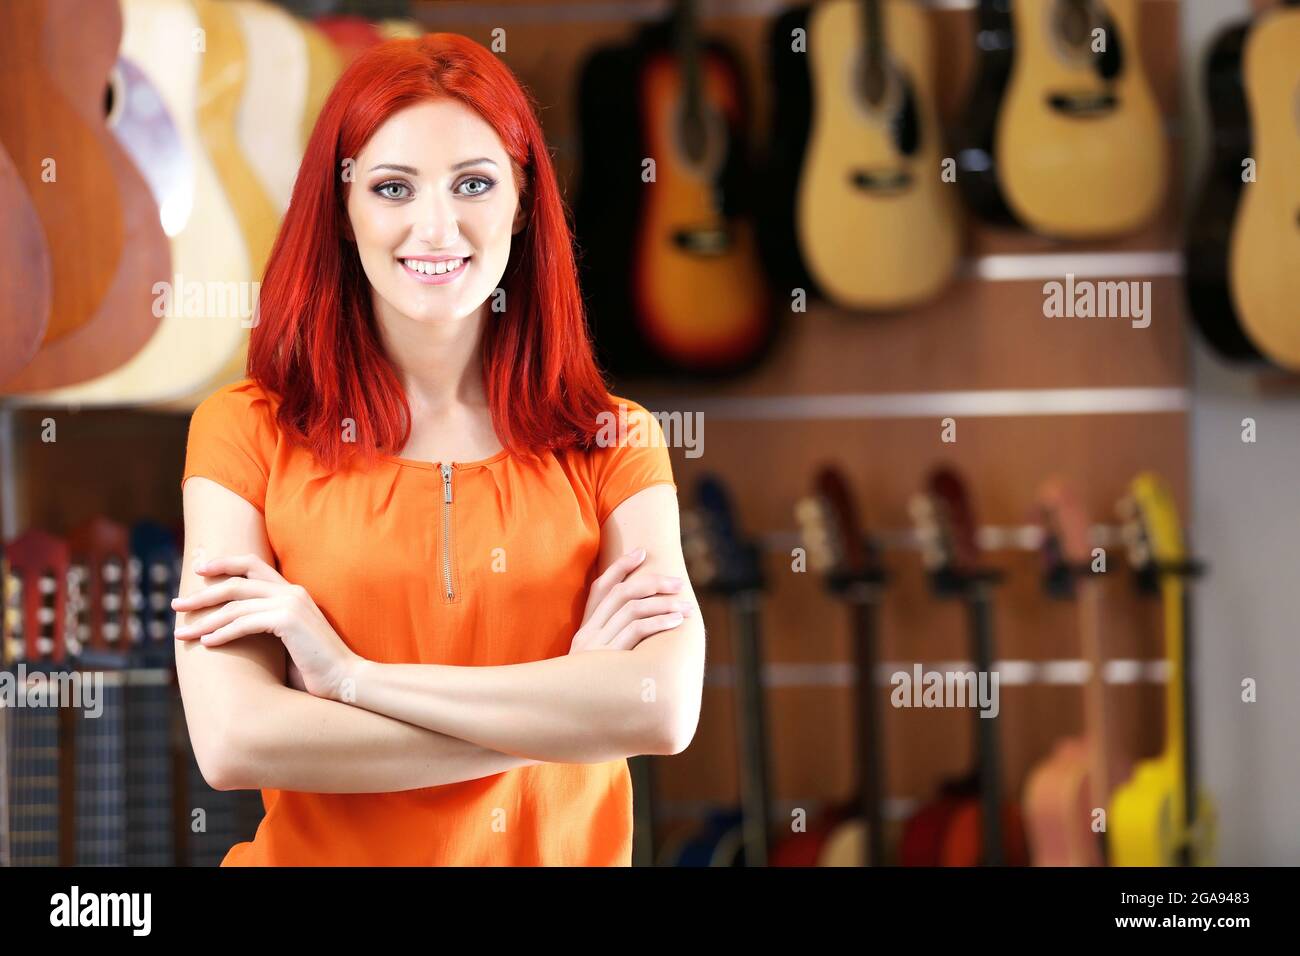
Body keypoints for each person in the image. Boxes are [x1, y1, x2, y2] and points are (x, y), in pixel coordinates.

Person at [170, 33, 704, 866]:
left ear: (523, 202)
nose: (435, 226)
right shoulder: (245, 431)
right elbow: (237, 739)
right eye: (391, 188)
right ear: (342, 213)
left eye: (474, 184)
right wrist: (564, 707)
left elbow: (660, 709)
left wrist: (350, 680)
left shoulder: (614, 440)